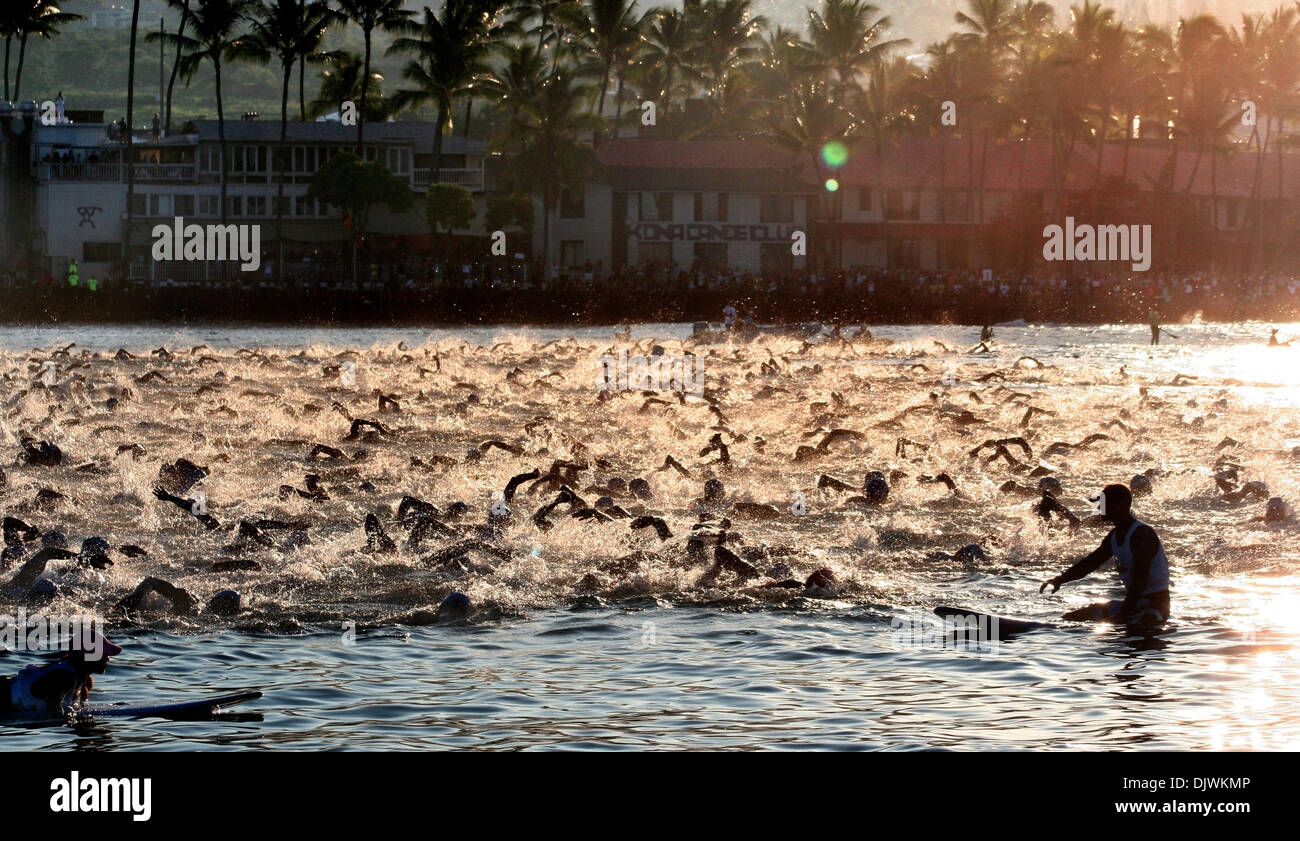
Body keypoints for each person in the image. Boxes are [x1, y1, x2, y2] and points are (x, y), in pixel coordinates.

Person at [1039, 483, 1171, 624]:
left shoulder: (1142, 534)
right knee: (1070, 619)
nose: (1099, 508)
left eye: (1104, 503)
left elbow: (1140, 581)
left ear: (1120, 505)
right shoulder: (1114, 535)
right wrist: (1060, 580)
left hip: (1155, 607)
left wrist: (1122, 615)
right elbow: (1090, 563)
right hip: (1135, 604)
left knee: (1134, 627)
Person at [0, 631, 123, 716]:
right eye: (103, 654)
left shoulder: (86, 681)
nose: (107, 658)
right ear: (86, 657)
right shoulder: (65, 677)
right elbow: (53, 711)